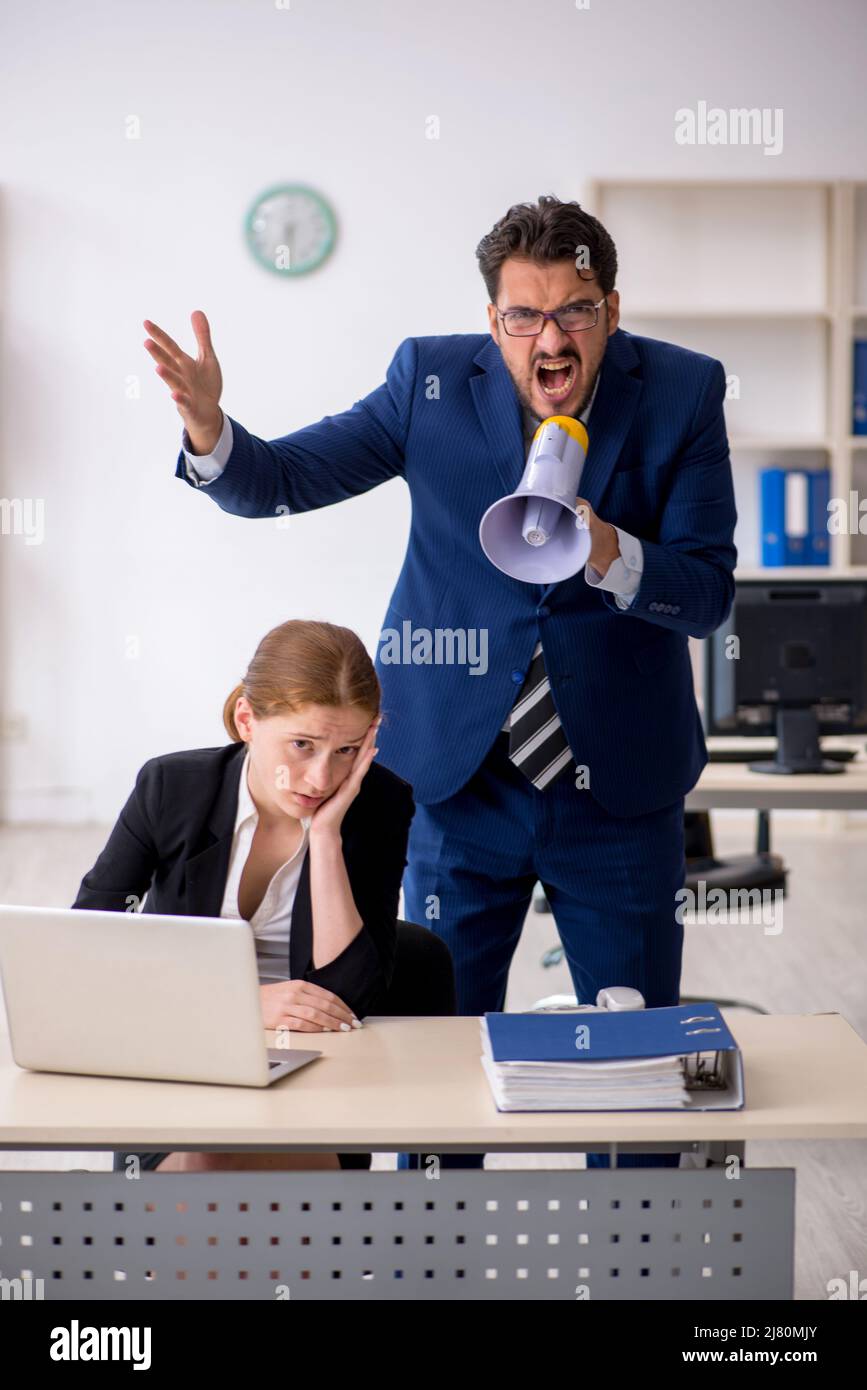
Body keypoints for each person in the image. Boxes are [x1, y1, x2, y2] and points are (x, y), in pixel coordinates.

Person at [144, 195, 737, 1168]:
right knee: (431, 1073)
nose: (551, 337)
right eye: (523, 315)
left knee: (633, 1081)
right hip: (456, 785)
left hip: (617, 795)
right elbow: (284, 478)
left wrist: (611, 550)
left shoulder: (680, 390)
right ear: (491, 319)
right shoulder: (428, 379)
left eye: (575, 310)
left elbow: (709, 595)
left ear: (612, 310)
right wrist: (214, 432)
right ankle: (435, 1262)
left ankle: (641, 1260)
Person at [72, 619, 415, 1172]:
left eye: (347, 750)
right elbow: (86, 950)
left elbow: (351, 1000)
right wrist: (238, 1006)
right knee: (212, 1156)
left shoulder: (379, 805)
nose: (322, 777)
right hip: (182, 1047)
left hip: (319, 1063)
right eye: (301, 745)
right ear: (247, 720)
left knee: (234, 1172)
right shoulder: (172, 788)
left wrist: (325, 839)